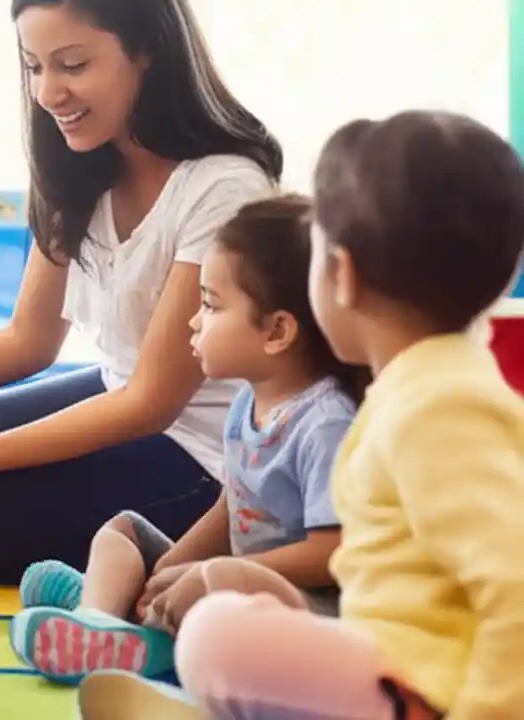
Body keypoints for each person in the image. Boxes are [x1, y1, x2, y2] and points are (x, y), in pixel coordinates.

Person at [0, 0, 281, 584]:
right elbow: (26, 342)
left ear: (148, 53)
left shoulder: (223, 186)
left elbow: (150, 402)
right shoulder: (81, 167)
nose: (48, 93)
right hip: (121, 392)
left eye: (73, 64)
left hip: (204, 455)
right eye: (34, 67)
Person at [175, 111, 524, 719]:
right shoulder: (421, 384)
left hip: (424, 689)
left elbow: (516, 581)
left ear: (343, 275)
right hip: (392, 656)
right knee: (236, 597)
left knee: (216, 636)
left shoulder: (439, 405)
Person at [8, 195, 363, 690]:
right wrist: (172, 568)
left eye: (212, 305)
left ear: (278, 331)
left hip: (305, 607)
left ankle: (130, 629)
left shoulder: (324, 423)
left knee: (220, 616)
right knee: (123, 531)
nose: (194, 321)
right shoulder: (248, 402)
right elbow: (232, 505)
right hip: (230, 579)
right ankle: (100, 619)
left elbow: (335, 550)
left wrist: (219, 574)